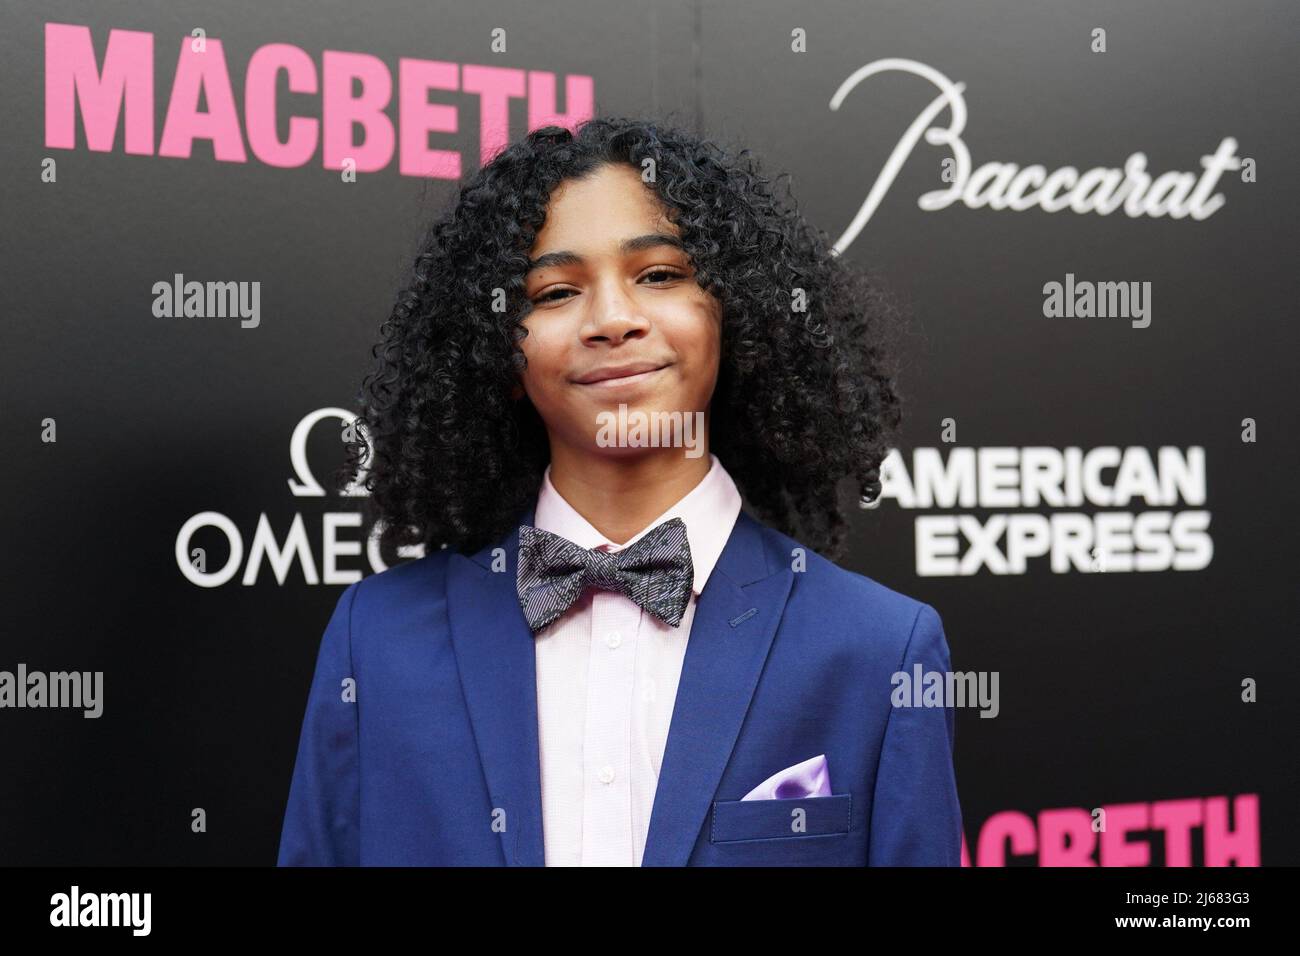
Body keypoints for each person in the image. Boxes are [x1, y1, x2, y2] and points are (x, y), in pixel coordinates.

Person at [276, 116, 961, 866]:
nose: (612, 321)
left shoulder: (876, 649)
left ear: (740, 315)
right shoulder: (376, 640)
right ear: (495, 349)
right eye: (558, 290)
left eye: (660, 275)